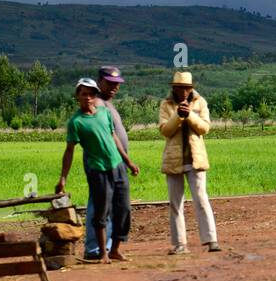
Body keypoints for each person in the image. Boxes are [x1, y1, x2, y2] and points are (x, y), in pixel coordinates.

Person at [55, 78, 139, 263]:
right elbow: (69, 151)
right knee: (102, 211)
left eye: (91, 94)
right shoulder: (76, 122)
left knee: (123, 208)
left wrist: (129, 161)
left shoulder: (104, 113)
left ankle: (115, 249)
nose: (88, 98)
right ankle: (103, 253)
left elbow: (113, 137)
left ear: (95, 96)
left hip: (117, 166)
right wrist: (63, 178)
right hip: (98, 170)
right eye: (84, 94)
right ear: (77, 96)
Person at [159, 71, 220, 254]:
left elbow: (204, 128)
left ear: (191, 88)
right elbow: (165, 131)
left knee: (201, 199)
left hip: (196, 160)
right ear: (174, 88)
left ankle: (211, 240)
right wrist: (178, 115)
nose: (184, 92)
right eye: (180, 88)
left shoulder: (200, 103)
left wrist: (190, 115)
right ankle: (180, 244)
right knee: (175, 203)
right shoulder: (166, 104)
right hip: (173, 160)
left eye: (187, 88)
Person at [84, 65, 130, 260]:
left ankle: (111, 248)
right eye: (110, 83)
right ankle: (94, 249)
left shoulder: (107, 103)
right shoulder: (97, 103)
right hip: (102, 163)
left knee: (116, 205)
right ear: (99, 82)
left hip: (116, 162)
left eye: (116, 84)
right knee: (100, 204)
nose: (114, 87)